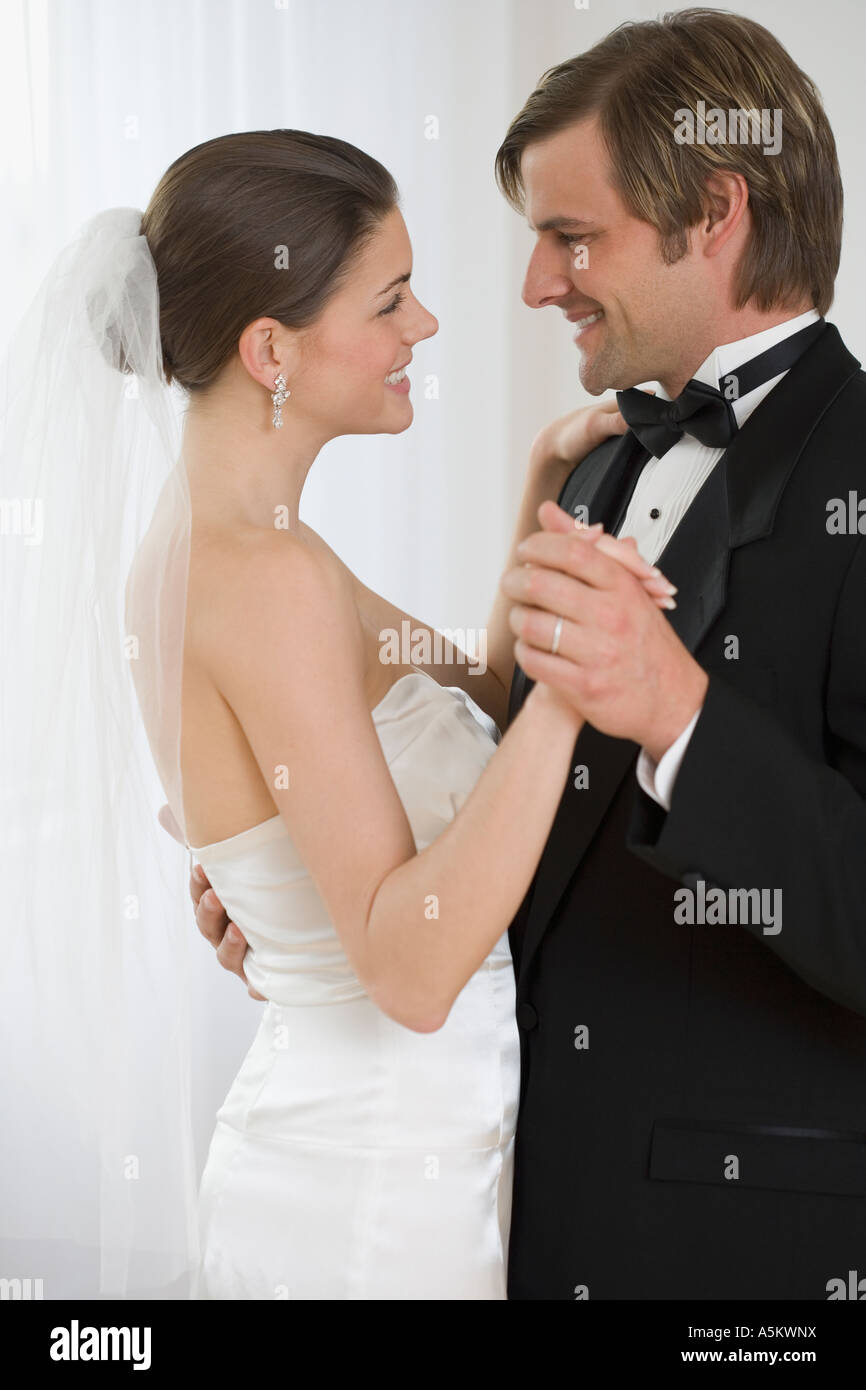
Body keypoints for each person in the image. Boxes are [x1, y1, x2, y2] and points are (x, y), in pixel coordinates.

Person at [198, 10, 866, 1300]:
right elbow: (522, 782)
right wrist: (298, 880)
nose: (533, 285)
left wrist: (680, 711)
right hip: (512, 1213)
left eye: (571, 237)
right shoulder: (602, 460)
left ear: (713, 210)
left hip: (742, 1258)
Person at [127, 129, 676, 1300]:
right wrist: (586, 670)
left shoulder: (257, 554)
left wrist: (539, 504)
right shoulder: (260, 580)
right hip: (365, 1211)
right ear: (270, 347)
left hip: (398, 1170)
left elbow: (471, 690)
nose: (422, 327)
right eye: (390, 300)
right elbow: (411, 969)